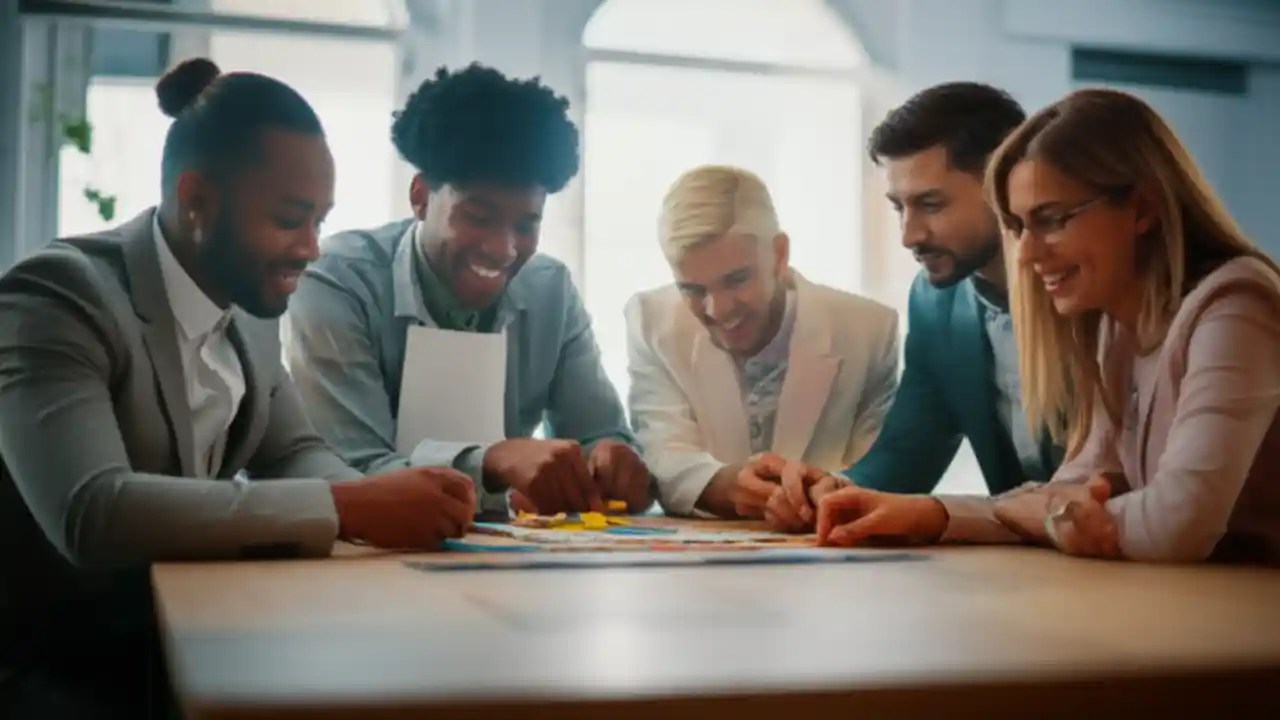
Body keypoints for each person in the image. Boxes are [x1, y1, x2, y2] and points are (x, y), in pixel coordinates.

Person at [0, 59, 474, 718]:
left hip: (187, 633)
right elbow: (93, 512)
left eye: (320, 221)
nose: (311, 248)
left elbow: (293, 450)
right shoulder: (58, 296)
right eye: (290, 219)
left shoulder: (248, 308)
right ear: (197, 200)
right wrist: (349, 507)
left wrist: (390, 502)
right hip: (56, 668)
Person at [813, 88, 1280, 563]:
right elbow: (1066, 490)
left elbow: (1173, 524)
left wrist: (1054, 515)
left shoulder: (1234, 305)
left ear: (1143, 209)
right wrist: (932, 514)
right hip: (1169, 594)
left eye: (1053, 220)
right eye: (1018, 226)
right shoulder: (1115, 323)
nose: (1026, 254)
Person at [284, 64, 651, 517]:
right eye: (478, 217)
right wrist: (491, 462)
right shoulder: (339, 281)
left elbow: (599, 433)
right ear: (421, 197)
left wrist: (611, 459)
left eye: (526, 225)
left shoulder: (550, 290)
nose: (503, 248)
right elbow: (353, 468)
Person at [625, 165, 898, 525]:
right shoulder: (651, 321)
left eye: (737, 280)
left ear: (780, 255)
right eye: (692, 289)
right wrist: (727, 486)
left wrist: (821, 496)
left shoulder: (869, 331)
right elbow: (662, 454)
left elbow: (884, 471)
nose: (718, 309)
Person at [841, 83, 1061, 498]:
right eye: (898, 207)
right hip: (1024, 539)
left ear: (1004, 185)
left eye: (931, 205)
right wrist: (820, 491)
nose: (908, 235)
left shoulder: (1079, 288)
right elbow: (902, 462)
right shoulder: (935, 302)